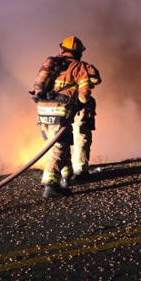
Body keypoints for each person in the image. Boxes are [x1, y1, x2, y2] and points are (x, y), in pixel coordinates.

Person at [30, 35, 92, 198]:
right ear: (78, 53)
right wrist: (81, 103)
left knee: (58, 143)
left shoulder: (52, 63)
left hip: (42, 110)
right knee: (59, 147)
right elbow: (84, 94)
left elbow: (39, 85)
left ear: (62, 50)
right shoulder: (79, 67)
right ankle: (50, 185)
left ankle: (66, 175)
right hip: (60, 110)